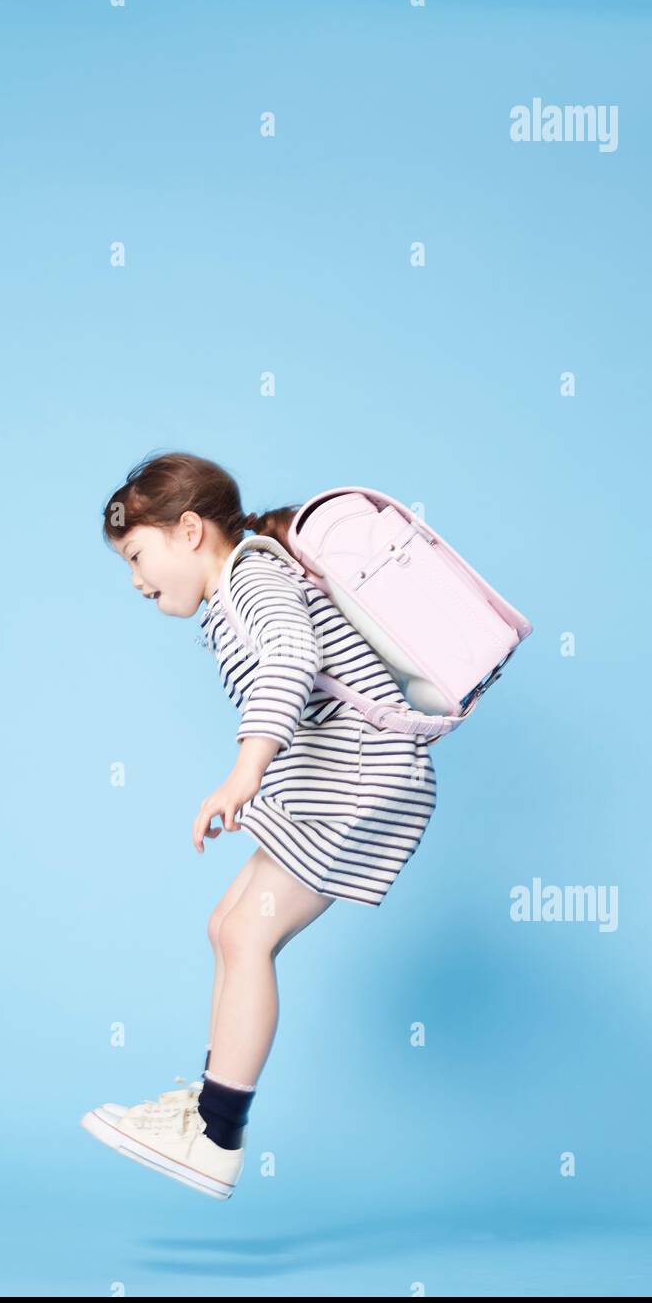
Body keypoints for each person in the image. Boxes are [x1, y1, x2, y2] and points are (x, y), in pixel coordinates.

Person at [80, 451, 437, 1199]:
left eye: (139, 556)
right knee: (227, 926)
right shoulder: (240, 586)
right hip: (335, 780)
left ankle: (215, 1137)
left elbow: (290, 657)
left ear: (188, 531)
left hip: (357, 781)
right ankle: (209, 1113)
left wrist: (244, 772)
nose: (137, 581)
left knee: (247, 935)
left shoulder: (252, 577)